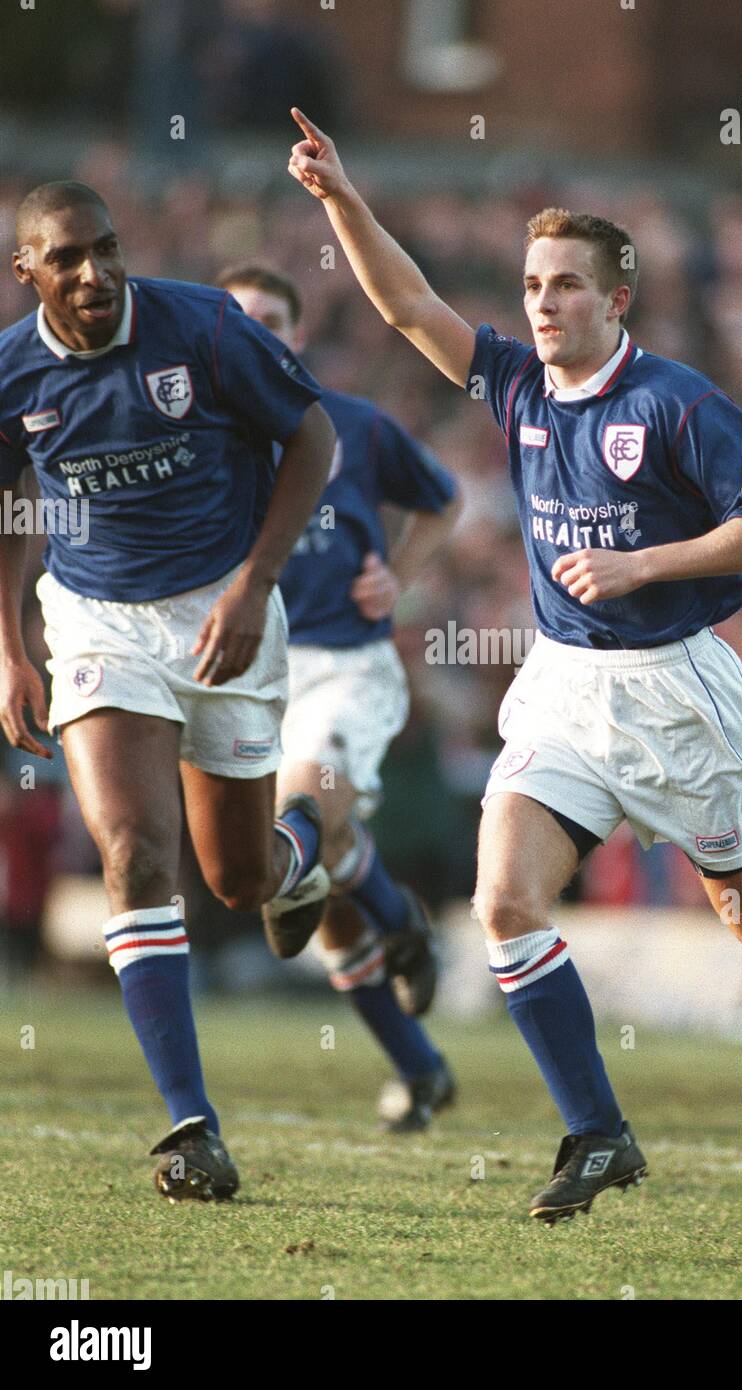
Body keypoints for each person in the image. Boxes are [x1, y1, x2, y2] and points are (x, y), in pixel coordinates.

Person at [283, 109, 742, 1221]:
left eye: (566, 284)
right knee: (505, 899)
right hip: (566, 687)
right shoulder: (516, 385)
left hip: (677, 691)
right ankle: (598, 1132)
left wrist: (642, 562)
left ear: (615, 300)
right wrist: (339, 199)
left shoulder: (677, 403)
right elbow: (408, 305)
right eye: (531, 283)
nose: (542, 302)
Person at [0, 181, 337, 1202]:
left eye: (106, 249)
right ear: (30, 272)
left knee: (236, 876)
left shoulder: (204, 327)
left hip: (223, 608)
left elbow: (313, 436)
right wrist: (11, 643)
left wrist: (255, 583)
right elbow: (12, 494)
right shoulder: (12, 371)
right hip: (97, 618)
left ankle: (304, 851)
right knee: (136, 851)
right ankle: (192, 1126)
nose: (94, 273)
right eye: (68, 258)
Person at [217, 263, 461, 1130]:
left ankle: (402, 927)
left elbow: (441, 501)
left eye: (271, 318)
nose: (257, 330)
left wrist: (397, 575)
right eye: (238, 318)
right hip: (250, 673)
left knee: (302, 813)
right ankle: (420, 1057)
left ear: (296, 333)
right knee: (321, 898)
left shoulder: (351, 425)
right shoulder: (205, 439)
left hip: (348, 665)